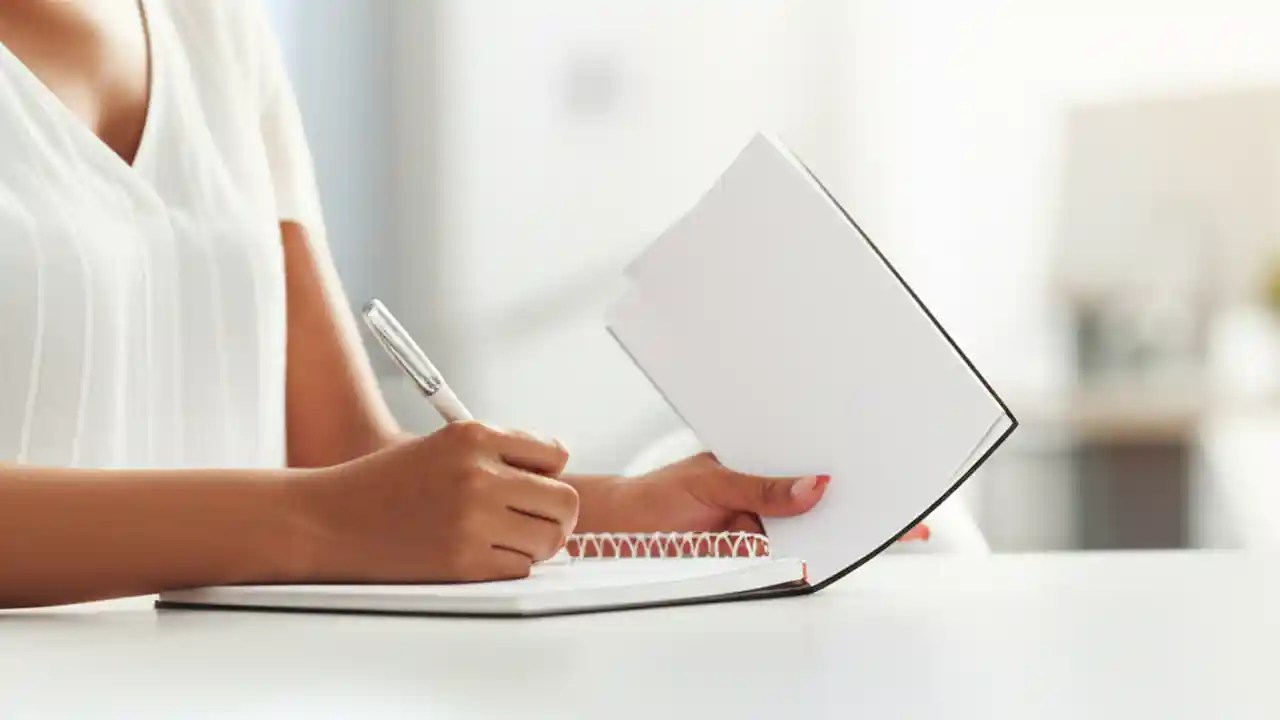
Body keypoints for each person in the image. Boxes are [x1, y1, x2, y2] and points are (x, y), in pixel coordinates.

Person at [0, 0, 923, 610]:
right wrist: (323, 523)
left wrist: (616, 512)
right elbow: (336, 506)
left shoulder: (215, 28)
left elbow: (346, 459)